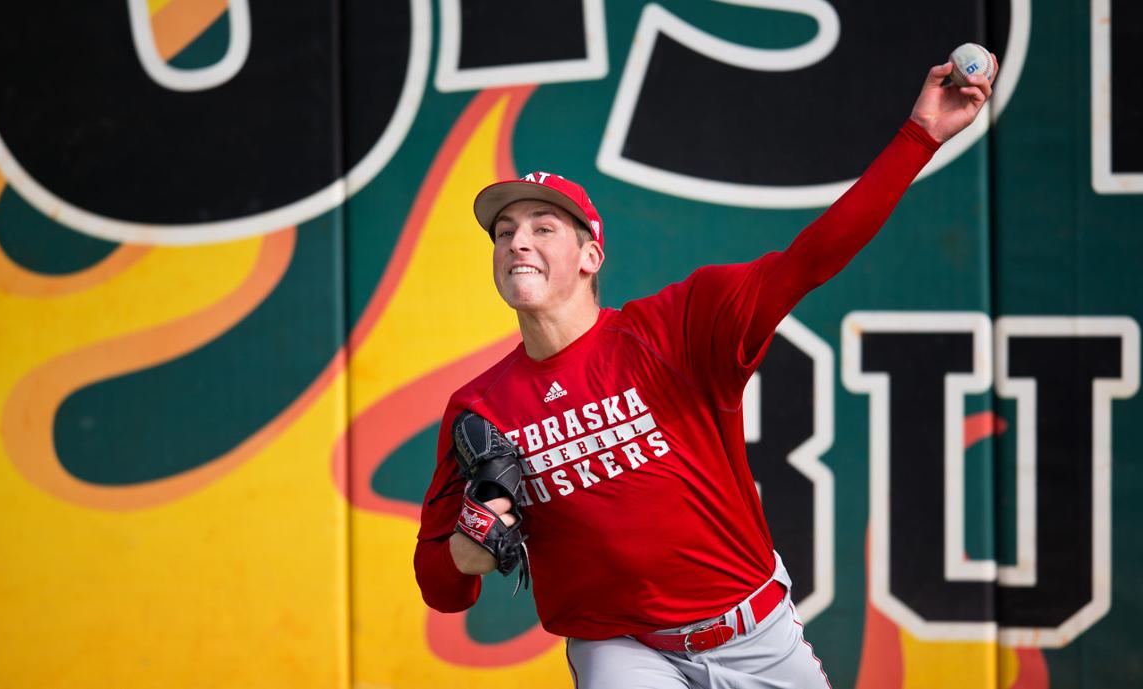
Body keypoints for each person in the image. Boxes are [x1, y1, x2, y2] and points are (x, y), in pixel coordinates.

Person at [414, 60, 994, 688]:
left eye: (542, 228)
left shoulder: (678, 327)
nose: (516, 242)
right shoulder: (481, 408)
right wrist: (466, 552)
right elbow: (440, 587)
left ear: (590, 255)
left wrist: (919, 136)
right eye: (504, 232)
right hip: (621, 648)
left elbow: (811, 260)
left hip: (754, 632)